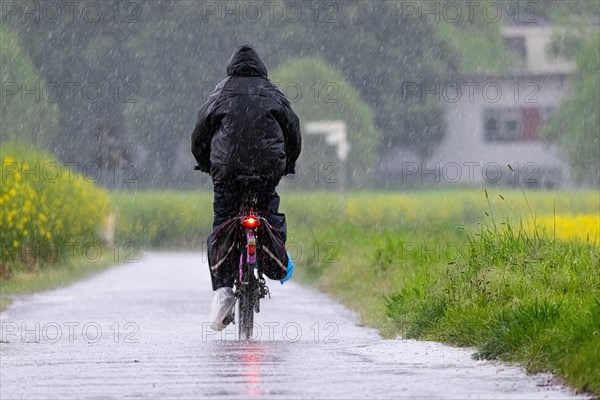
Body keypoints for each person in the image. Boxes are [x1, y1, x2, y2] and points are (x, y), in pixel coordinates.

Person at [191, 44, 302, 331]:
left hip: (227, 173)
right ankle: (269, 254)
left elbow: (200, 132)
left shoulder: (221, 92)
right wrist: (286, 165)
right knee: (269, 214)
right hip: (267, 171)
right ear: (261, 68)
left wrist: (207, 164)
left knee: (222, 224)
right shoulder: (273, 92)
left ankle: (224, 288)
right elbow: (293, 131)